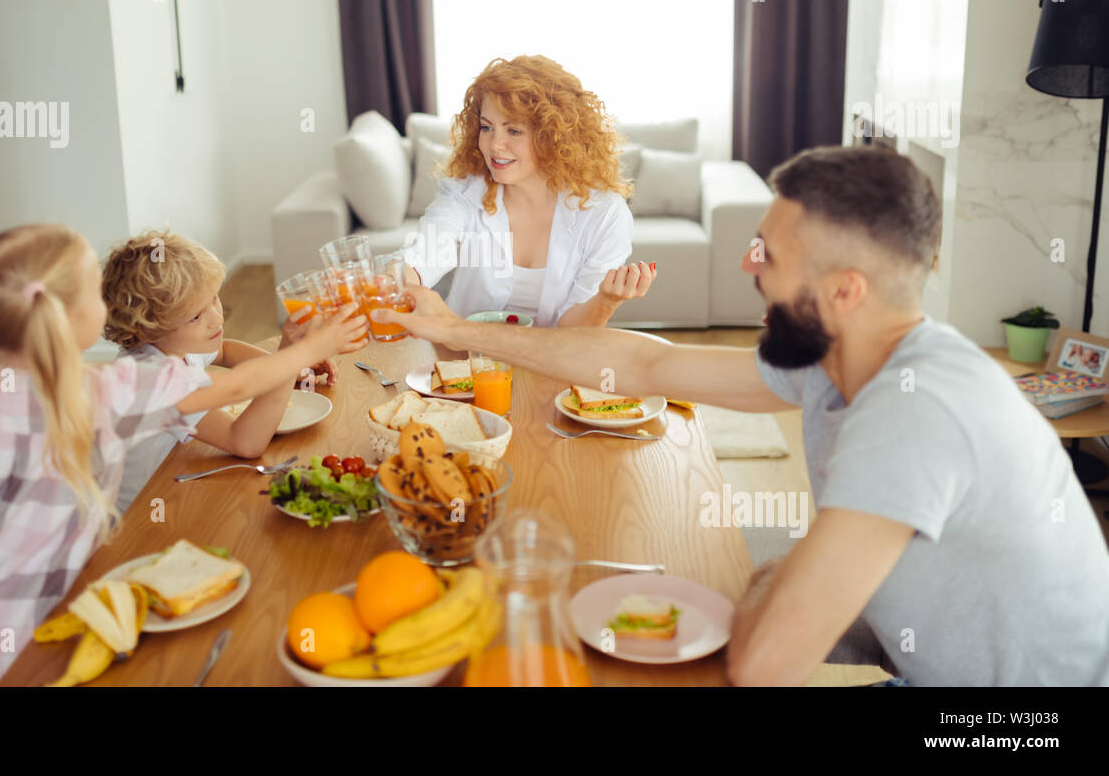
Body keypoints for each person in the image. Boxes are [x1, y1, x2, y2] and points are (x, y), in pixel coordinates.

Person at [374, 146, 1109, 686]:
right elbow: (643, 366)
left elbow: (761, 664)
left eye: (769, 255)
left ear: (846, 289)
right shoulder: (840, 355)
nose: (746, 266)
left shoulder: (914, 415)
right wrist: (456, 332)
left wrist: (768, 584)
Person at [0, 224, 362, 686]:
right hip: (28, 646)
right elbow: (228, 398)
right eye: (93, 296)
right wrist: (311, 349)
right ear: (65, 317)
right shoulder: (103, 390)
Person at [101, 231, 349, 514]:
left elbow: (225, 351)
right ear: (147, 329)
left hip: (175, 477)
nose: (217, 318)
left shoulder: (171, 347)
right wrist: (290, 361)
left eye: (215, 299)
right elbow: (245, 441)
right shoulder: (151, 376)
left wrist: (282, 361)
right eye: (195, 316)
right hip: (139, 518)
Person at [398, 55, 655, 327]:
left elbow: (572, 332)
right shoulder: (467, 192)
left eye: (514, 131)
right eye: (487, 127)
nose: (495, 145)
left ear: (552, 135)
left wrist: (606, 301)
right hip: (466, 360)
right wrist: (391, 278)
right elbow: (424, 254)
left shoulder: (605, 214)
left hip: (549, 363)